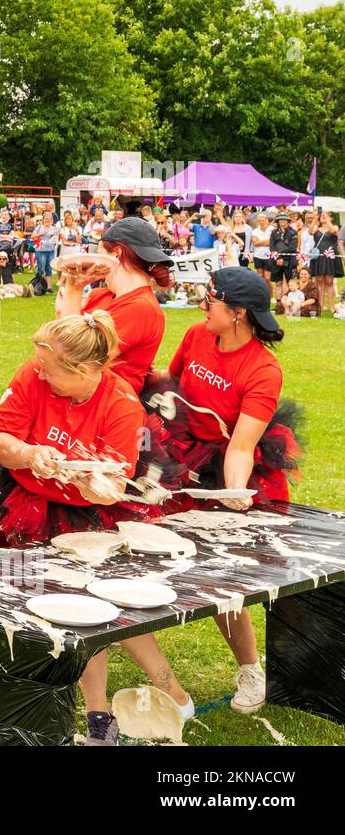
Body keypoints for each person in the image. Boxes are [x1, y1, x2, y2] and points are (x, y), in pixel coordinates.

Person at [0, 312, 188, 745]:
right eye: (39, 365)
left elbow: (113, 490)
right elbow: (0, 439)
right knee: (7, 594)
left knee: (99, 614)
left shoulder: (121, 405)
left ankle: (144, 698)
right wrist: (29, 453)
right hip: (22, 499)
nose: (39, 373)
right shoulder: (35, 370)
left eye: (49, 370)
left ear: (84, 371)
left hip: (86, 515)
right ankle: (18, 690)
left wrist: (88, 478)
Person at [152, 267, 302, 715]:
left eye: (210, 300)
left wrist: (234, 491)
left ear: (237, 314)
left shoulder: (263, 369)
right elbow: (171, 381)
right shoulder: (198, 334)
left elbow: (240, 447)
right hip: (182, 453)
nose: (202, 306)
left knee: (223, 577)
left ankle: (251, 668)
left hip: (231, 462)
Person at [55, 217, 170, 394]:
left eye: (100, 254)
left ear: (117, 254)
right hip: (81, 399)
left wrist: (73, 291)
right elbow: (61, 344)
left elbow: (72, 357)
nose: (96, 261)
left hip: (104, 409)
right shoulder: (101, 295)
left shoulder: (141, 309)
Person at [268, 212, 298, 300]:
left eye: (284, 219)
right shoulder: (274, 232)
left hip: (290, 261)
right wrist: (278, 258)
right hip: (276, 260)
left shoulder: (293, 232)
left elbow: (292, 247)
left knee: (291, 282)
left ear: (288, 221)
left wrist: (280, 256)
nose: (282, 221)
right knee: (278, 282)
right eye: (280, 220)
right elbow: (271, 246)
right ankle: (279, 303)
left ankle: (290, 301)